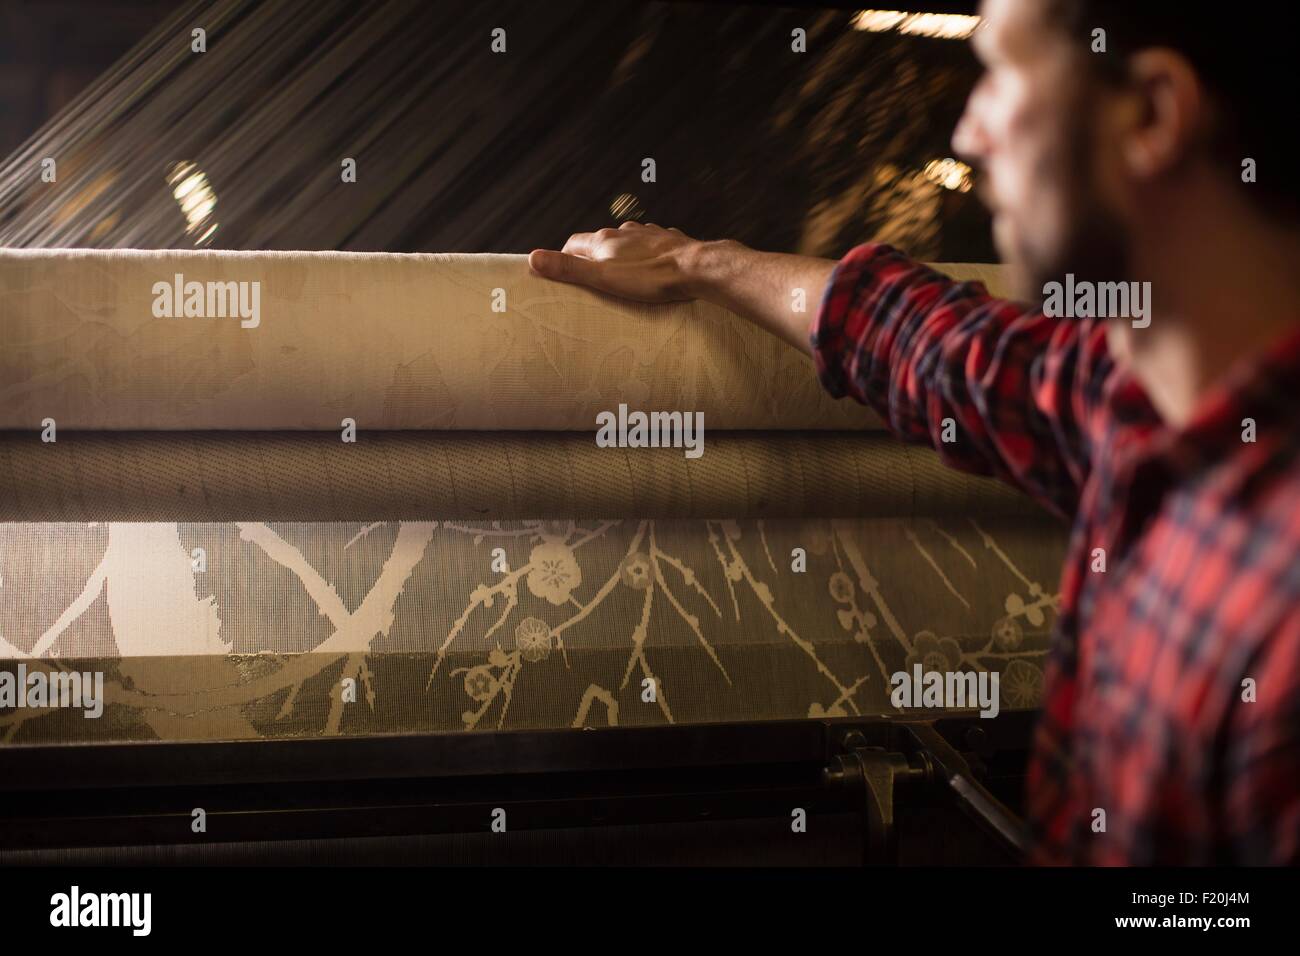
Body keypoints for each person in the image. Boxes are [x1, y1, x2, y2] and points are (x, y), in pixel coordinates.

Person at [527, 0, 1300, 865]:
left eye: (1003, 72)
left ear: (1152, 114)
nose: (968, 133)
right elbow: (935, 346)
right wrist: (696, 263)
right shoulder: (1135, 405)